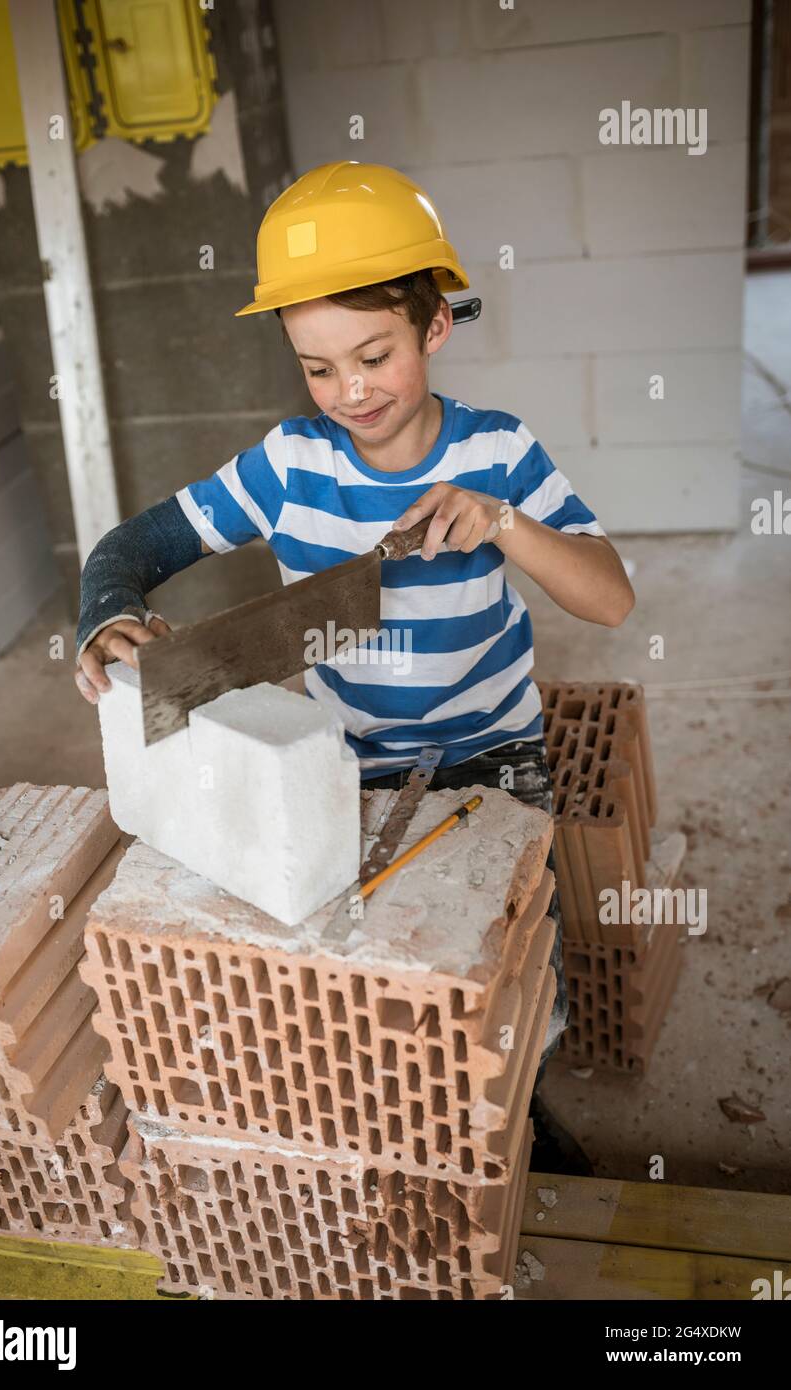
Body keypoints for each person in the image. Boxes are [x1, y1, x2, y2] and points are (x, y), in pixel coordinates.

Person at [75, 161, 635, 1174]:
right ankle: (421, 1118)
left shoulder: (501, 449)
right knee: (374, 967)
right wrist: (106, 615)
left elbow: (610, 596)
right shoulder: (290, 465)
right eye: (318, 367)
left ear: (434, 325)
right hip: (346, 760)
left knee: (509, 967)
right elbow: (128, 549)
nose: (350, 393)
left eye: (373, 354)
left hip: (493, 756)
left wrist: (502, 521)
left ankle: (523, 1105)